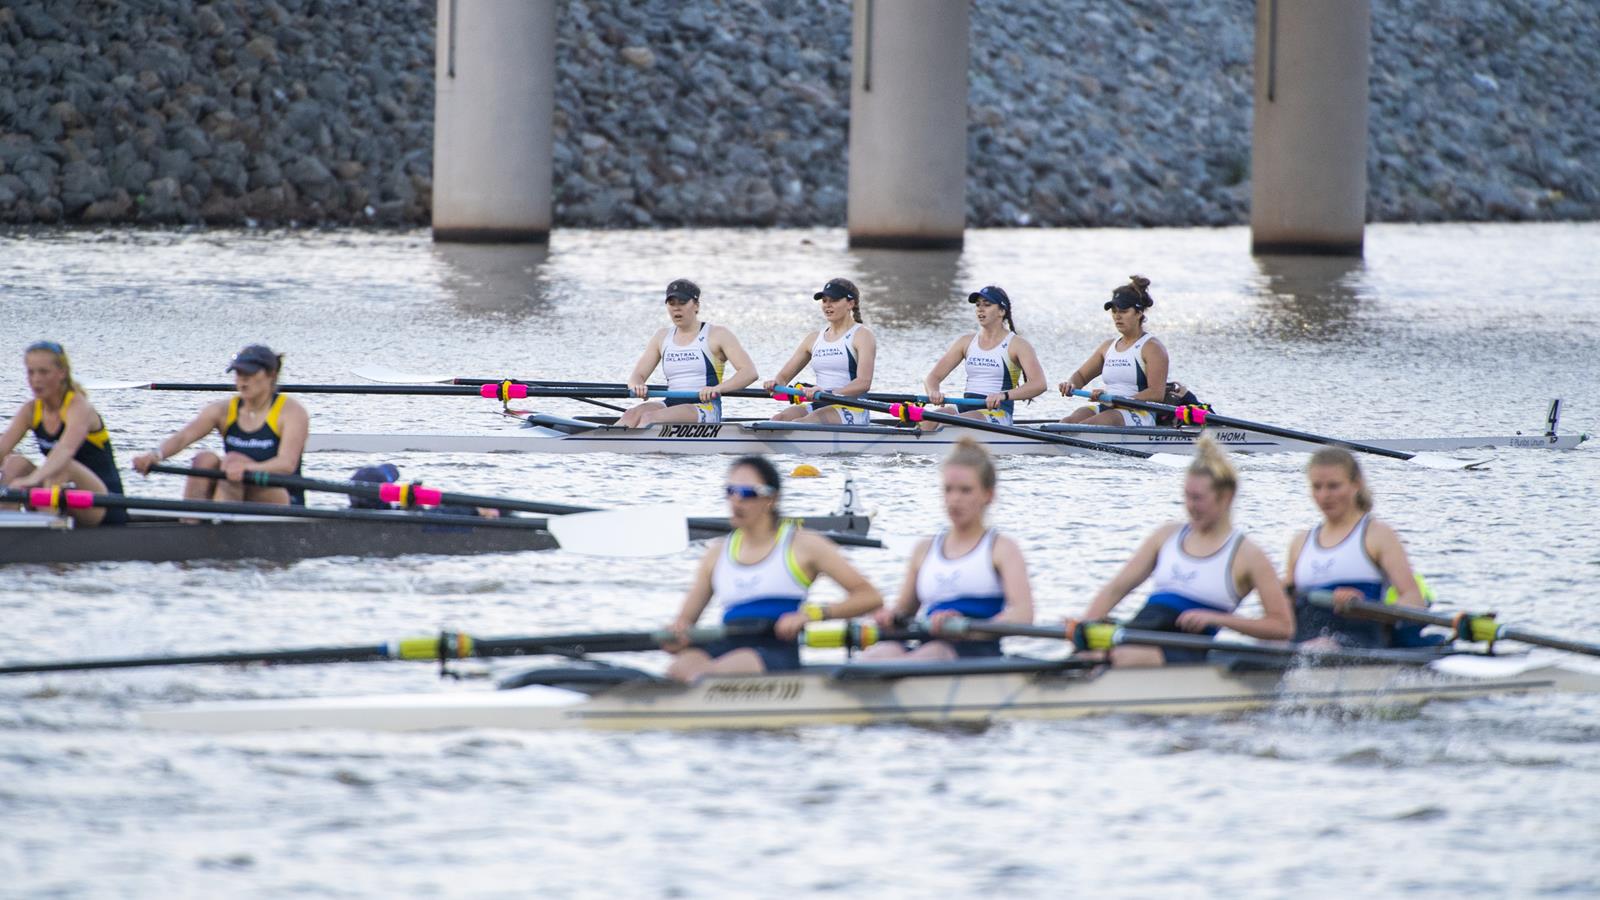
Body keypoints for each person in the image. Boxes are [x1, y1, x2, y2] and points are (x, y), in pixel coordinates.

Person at [1069, 436, 1293, 666]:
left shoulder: (1248, 555)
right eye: (1186, 496)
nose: (1190, 506)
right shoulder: (1166, 535)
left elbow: (1282, 627)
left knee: (1121, 656)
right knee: (1087, 652)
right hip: (1144, 629)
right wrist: (1083, 629)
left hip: (1188, 647)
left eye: (1198, 498)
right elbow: (1116, 589)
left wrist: (1220, 619)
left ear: (1226, 497)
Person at [663, 455, 882, 681]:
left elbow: (869, 597)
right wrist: (676, 634)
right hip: (726, 643)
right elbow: (685, 622)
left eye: (747, 493)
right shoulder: (716, 554)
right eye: (731, 492)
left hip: (775, 651)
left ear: (771, 499)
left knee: (706, 675)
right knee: (677, 669)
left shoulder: (804, 545)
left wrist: (813, 614)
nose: (736, 501)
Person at [860, 437, 1033, 661]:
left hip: (977, 652)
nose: (954, 500)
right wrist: (888, 617)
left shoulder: (1001, 548)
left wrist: (968, 627)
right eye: (948, 490)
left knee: (932, 653)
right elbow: (903, 611)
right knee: (880, 653)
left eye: (965, 490)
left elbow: (1023, 614)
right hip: (928, 644)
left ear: (988, 495)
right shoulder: (924, 549)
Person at [1285, 447, 1429, 648]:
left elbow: (1414, 600)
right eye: (1317, 487)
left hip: (1360, 640)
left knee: (1321, 647)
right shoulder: (1299, 542)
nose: (1324, 495)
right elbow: (1284, 610)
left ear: (1356, 485)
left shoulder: (1377, 535)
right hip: (1304, 641)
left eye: (1333, 486)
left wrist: (1369, 609)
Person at [131, 344, 309, 505]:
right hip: (235, 485)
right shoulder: (223, 410)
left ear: (271, 375)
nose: (242, 380)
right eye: (239, 373)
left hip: (282, 497)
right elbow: (183, 437)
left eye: (250, 374)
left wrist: (245, 468)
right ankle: (192, 525)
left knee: (232, 462)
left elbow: (286, 464)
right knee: (204, 459)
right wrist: (154, 456)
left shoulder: (291, 412)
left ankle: (216, 528)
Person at [0, 341, 127, 526]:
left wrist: (33, 479)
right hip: (60, 495)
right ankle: (7, 529)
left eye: (43, 372)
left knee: (61, 465)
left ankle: (49, 535)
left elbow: (65, 449)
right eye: (31, 372)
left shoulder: (78, 406)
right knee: (14, 463)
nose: (36, 379)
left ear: (62, 373)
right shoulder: (30, 411)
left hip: (104, 504)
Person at [617, 279, 758, 428]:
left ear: (696, 306)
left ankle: (635, 449)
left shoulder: (718, 334)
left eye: (682, 303)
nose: (676, 309)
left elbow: (749, 372)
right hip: (670, 405)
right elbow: (636, 376)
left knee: (650, 419)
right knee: (631, 415)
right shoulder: (661, 337)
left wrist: (717, 389)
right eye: (672, 304)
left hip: (705, 407)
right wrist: (638, 386)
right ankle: (611, 447)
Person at [922, 285, 1046, 427]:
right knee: (932, 418)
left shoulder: (1018, 345)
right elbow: (932, 378)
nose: (980, 309)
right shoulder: (966, 342)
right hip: (965, 407)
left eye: (987, 305)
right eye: (978, 305)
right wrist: (934, 392)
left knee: (956, 422)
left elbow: (1039, 384)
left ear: (1001, 311)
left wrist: (1004, 395)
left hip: (997, 411)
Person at [761, 278, 877, 426]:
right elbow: (784, 376)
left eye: (834, 300)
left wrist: (828, 393)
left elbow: (863, 382)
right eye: (824, 300)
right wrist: (775, 384)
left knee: (800, 424)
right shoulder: (813, 338)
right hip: (820, 402)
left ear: (850, 303)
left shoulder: (862, 335)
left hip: (852, 407)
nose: (827, 305)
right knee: (777, 420)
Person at [1057, 276, 1170, 426]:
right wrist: (1071, 384)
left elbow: (1156, 393)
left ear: (1139, 313)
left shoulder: (1152, 348)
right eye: (1114, 311)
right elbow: (1081, 376)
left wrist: (1116, 402)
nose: (1117, 316)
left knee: (1091, 425)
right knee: (1067, 422)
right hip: (1109, 406)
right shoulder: (1107, 346)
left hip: (1139, 413)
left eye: (1123, 311)